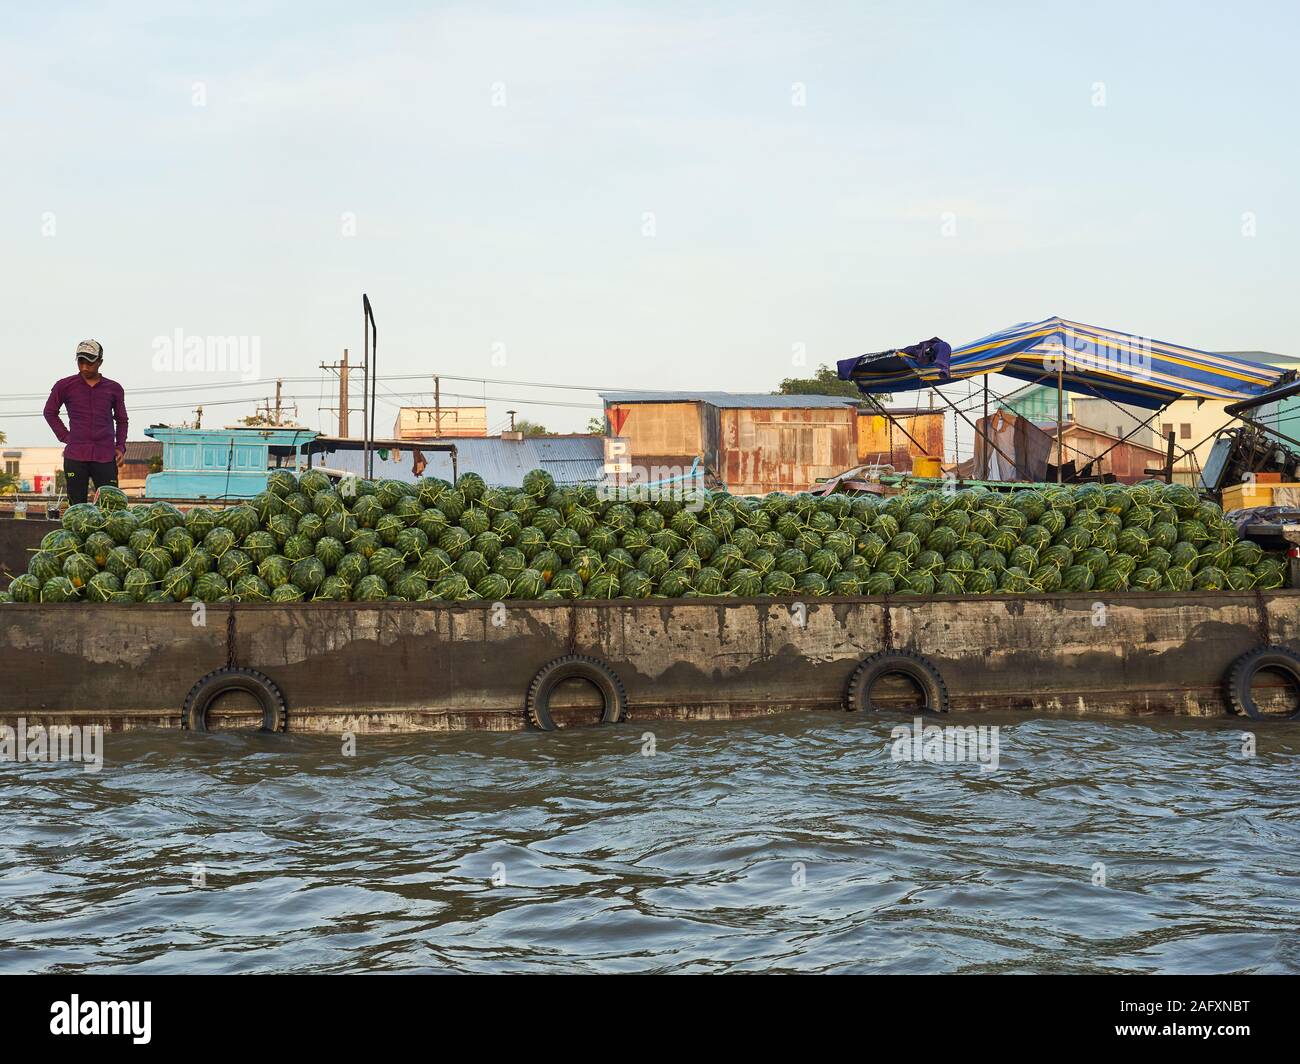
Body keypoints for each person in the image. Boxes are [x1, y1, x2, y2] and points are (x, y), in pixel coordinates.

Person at [43, 340, 129, 505]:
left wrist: (120, 447)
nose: (84, 367)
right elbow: (49, 412)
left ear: (100, 362)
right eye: (81, 361)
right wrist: (66, 437)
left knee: (111, 506)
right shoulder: (64, 386)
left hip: (105, 455)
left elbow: (122, 420)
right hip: (76, 456)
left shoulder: (114, 388)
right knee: (77, 507)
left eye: (90, 362)